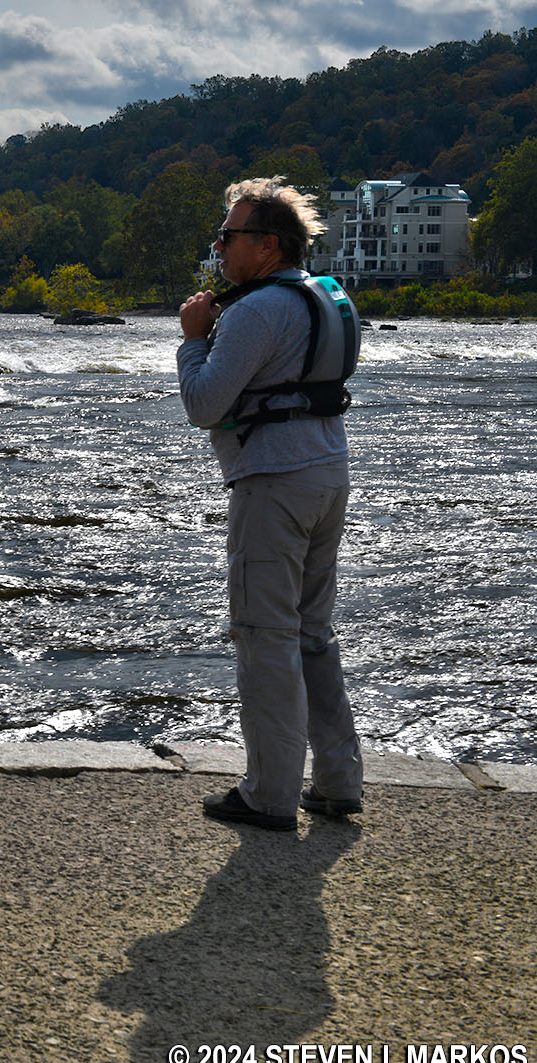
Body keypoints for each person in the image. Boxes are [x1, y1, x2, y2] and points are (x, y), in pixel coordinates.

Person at [176, 176, 363, 832]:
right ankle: (338, 782)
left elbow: (205, 405)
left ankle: (269, 794)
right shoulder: (329, 297)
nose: (220, 248)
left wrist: (194, 336)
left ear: (266, 243)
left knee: (264, 635)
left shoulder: (254, 310)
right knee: (312, 633)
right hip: (326, 474)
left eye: (229, 236)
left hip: (272, 483)